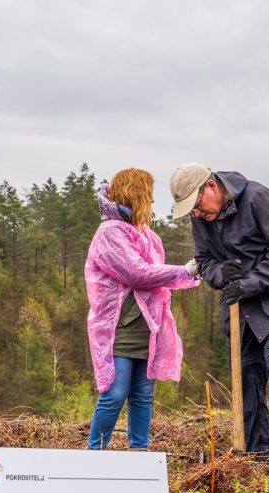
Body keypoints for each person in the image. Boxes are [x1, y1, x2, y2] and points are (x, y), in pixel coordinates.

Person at [170, 163, 269, 468]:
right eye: (191, 211)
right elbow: (204, 260)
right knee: (246, 375)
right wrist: (218, 272)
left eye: (197, 205)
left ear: (211, 187)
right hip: (240, 306)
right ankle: (258, 454)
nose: (196, 214)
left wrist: (249, 283)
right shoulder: (201, 217)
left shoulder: (258, 198)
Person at [85, 168, 200, 450]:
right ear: (135, 195)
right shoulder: (110, 233)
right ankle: (94, 453)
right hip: (120, 327)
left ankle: (140, 452)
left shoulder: (145, 233)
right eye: (147, 195)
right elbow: (137, 273)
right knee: (115, 393)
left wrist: (191, 271)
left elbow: (153, 272)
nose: (151, 202)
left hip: (147, 326)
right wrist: (184, 271)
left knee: (143, 394)